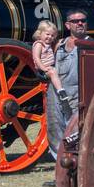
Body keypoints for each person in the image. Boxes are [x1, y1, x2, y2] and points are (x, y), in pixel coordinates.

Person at [31, 21, 65, 160]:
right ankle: (61, 90)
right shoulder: (38, 44)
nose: (50, 37)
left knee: (55, 72)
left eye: (52, 35)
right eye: (47, 34)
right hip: (44, 69)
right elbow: (36, 59)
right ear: (40, 33)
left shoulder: (48, 44)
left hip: (50, 67)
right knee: (53, 73)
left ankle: (60, 88)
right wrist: (44, 68)